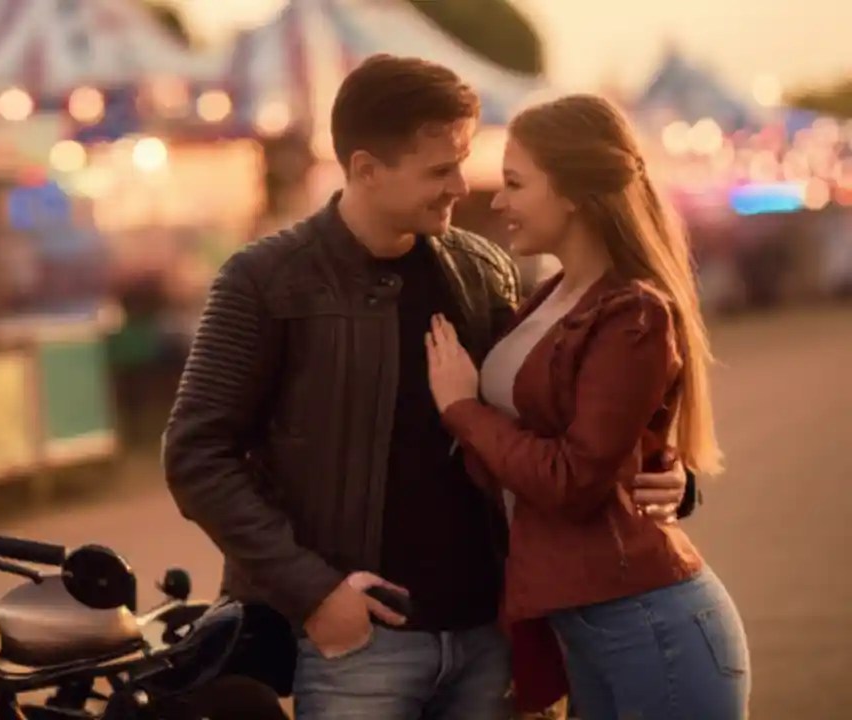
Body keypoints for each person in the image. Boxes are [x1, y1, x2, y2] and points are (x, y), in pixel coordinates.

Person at [162, 55, 696, 720]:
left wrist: (666, 471)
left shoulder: (487, 269)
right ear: (365, 169)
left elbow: (563, 412)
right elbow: (195, 453)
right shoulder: (264, 280)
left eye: (463, 161)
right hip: (357, 645)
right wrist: (317, 596)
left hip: (490, 635)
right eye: (439, 170)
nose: (459, 187)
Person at [426, 94, 750, 718]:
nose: (497, 199)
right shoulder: (548, 299)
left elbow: (572, 479)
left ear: (571, 192)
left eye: (516, 183)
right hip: (593, 625)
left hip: (650, 627)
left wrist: (463, 409)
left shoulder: (633, 314)